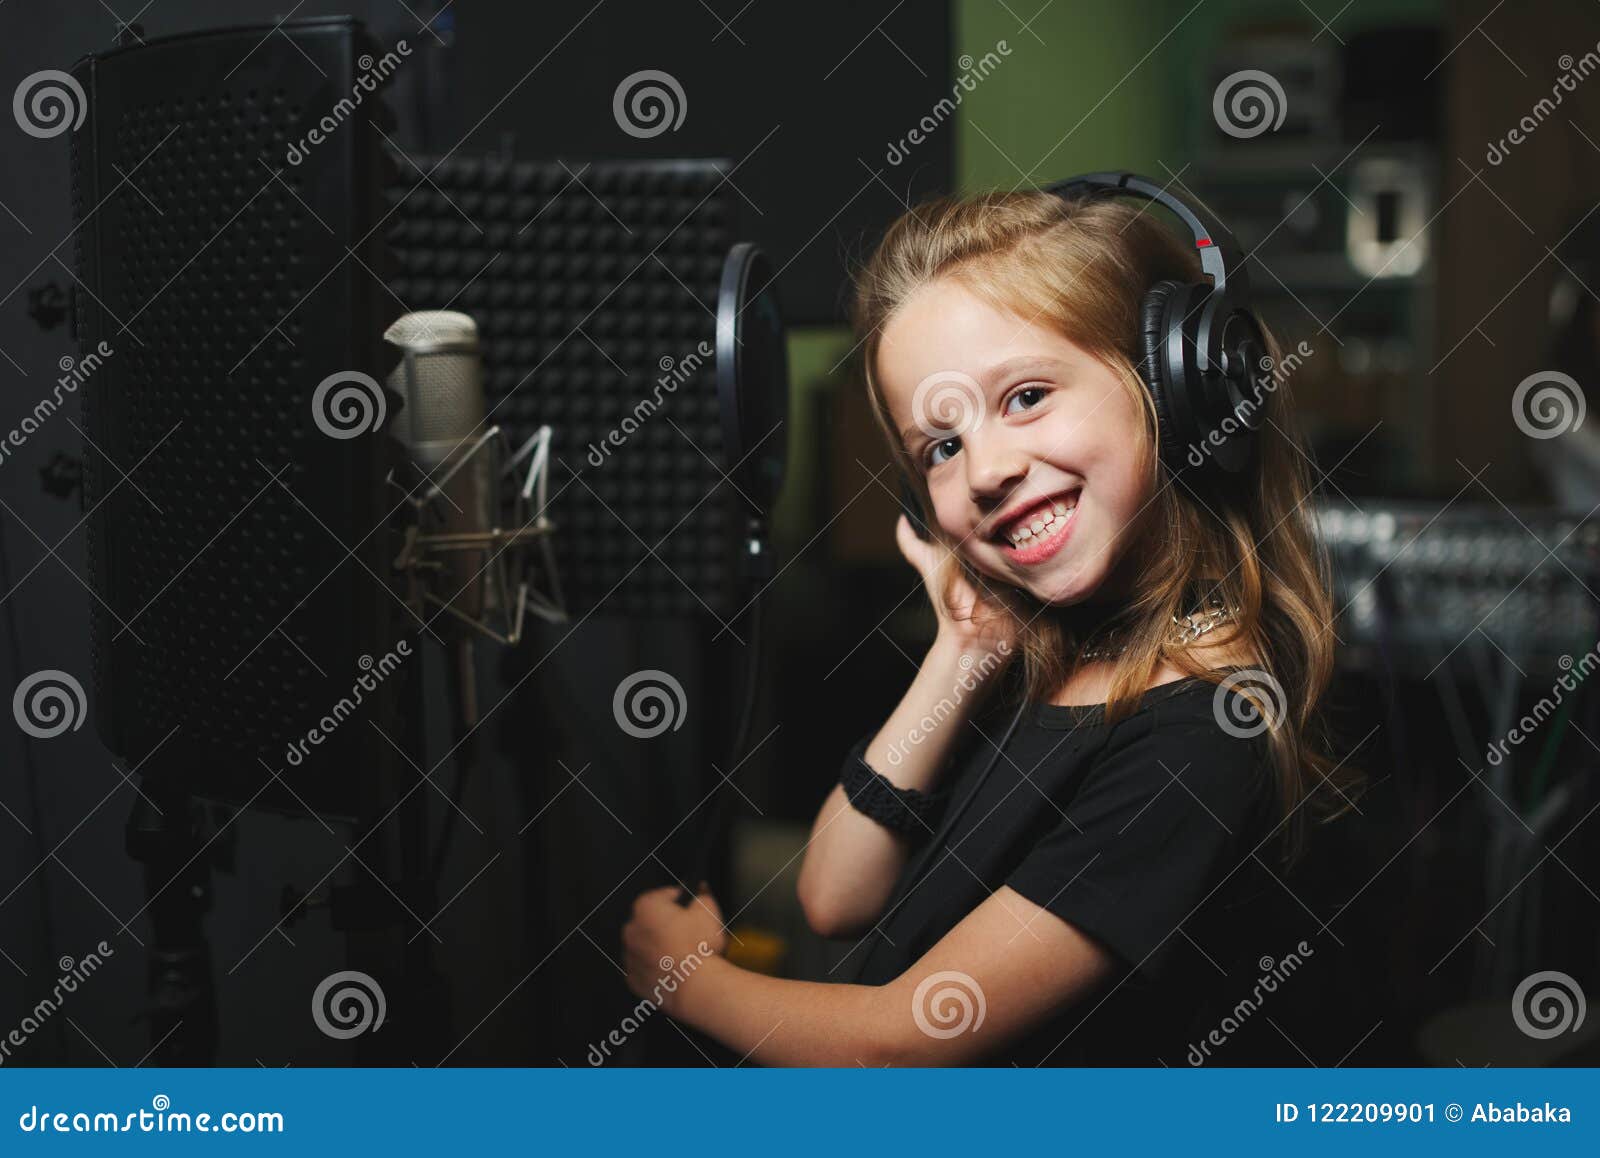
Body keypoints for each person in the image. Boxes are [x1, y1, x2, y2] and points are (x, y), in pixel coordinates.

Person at [621, 186, 1365, 1066]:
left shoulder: (1202, 733)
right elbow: (833, 894)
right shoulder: (1042, 653)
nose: (986, 470)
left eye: (1026, 396)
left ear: (1178, 387)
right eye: (939, 446)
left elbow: (900, 1050)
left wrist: (684, 979)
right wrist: (963, 647)